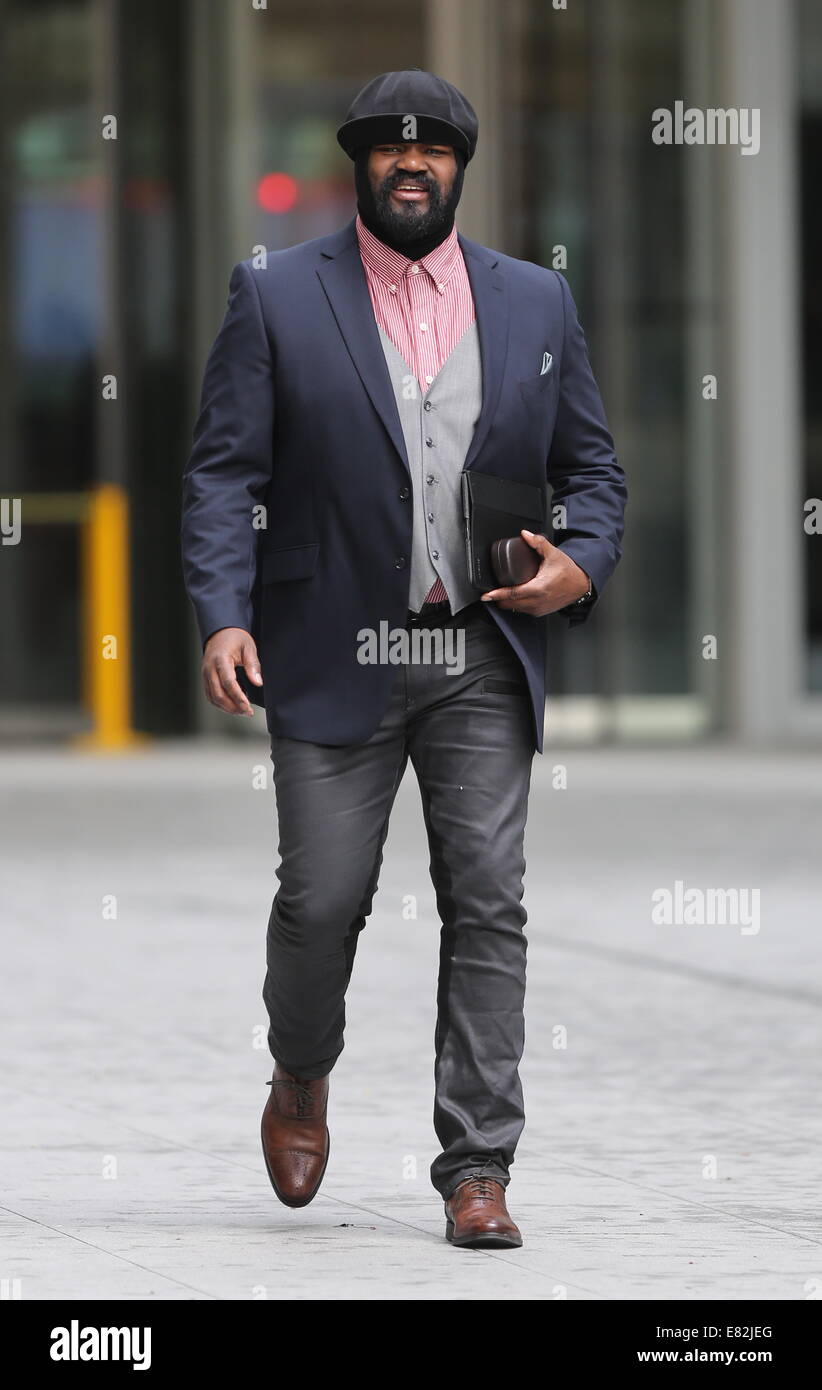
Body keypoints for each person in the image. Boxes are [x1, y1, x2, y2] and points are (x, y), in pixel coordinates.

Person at [181, 69, 627, 1249]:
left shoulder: (535, 302)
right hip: (331, 648)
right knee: (322, 899)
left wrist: (577, 565)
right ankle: (300, 1071)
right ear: (359, 165)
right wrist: (225, 614)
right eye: (388, 149)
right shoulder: (276, 295)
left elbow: (597, 474)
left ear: (460, 169)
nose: (411, 164)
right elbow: (227, 471)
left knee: (489, 903)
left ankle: (477, 1165)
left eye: (431, 150)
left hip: (480, 645)